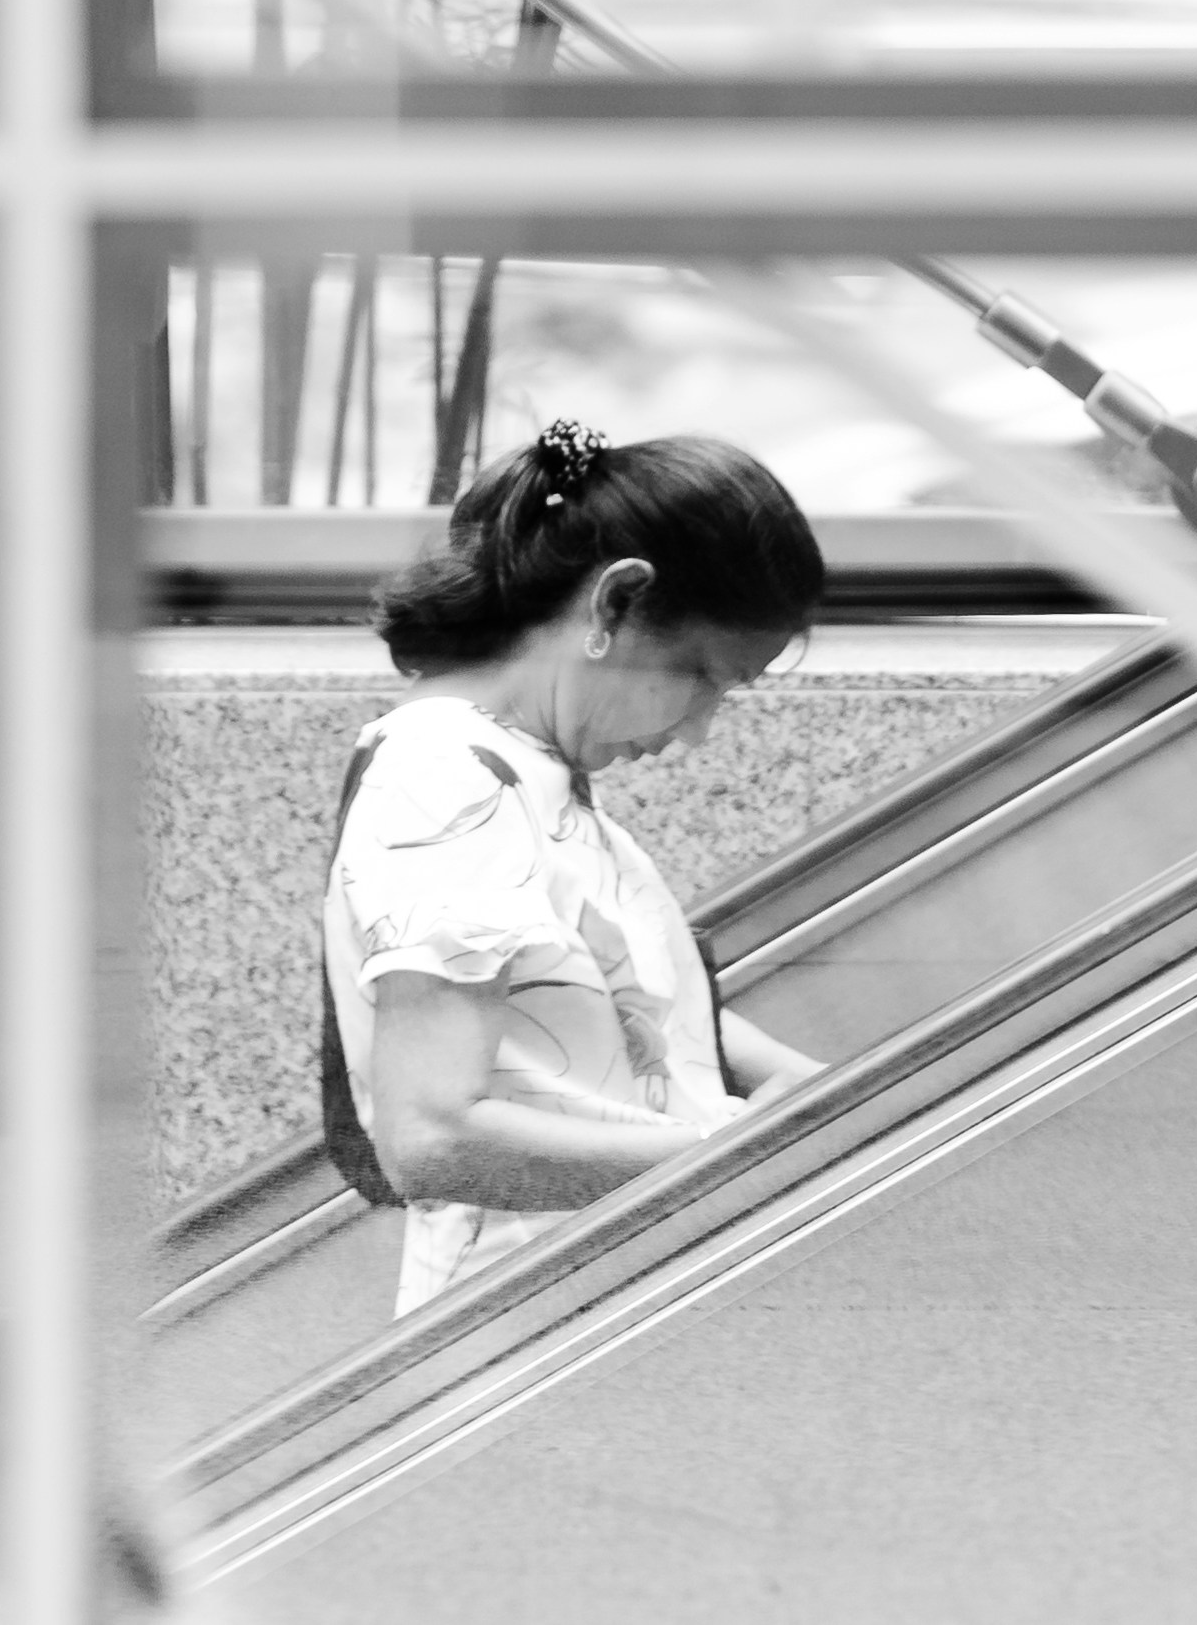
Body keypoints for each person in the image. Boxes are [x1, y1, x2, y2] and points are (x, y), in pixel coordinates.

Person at [321, 419, 831, 1316]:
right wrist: (737, 1156)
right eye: (702, 673)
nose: (699, 727)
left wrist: (818, 1099)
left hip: (573, 1314)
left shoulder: (518, 773)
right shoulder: (447, 777)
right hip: (529, 1336)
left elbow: (623, 1014)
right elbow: (430, 1133)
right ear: (613, 603)